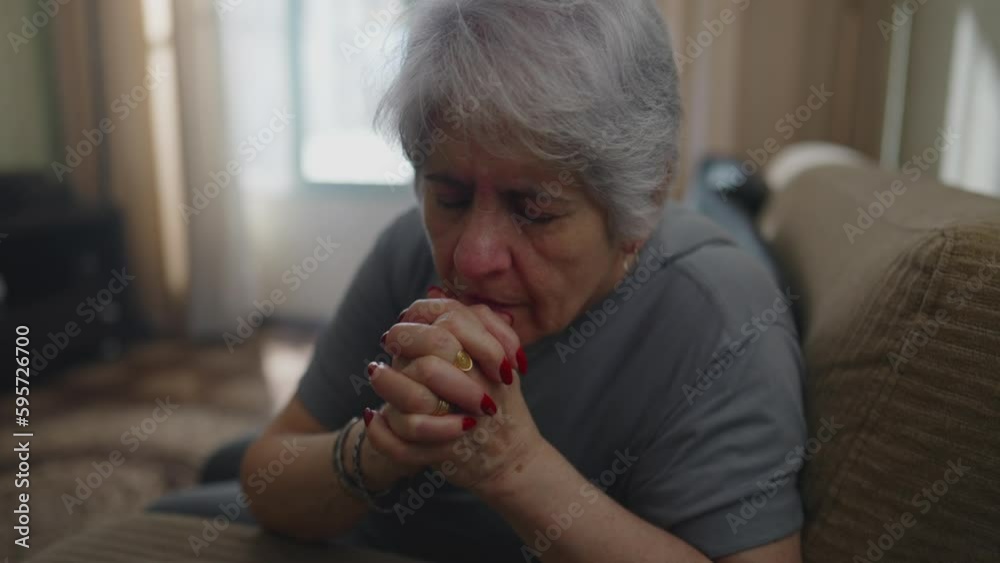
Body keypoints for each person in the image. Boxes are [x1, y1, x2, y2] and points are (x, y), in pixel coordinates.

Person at [153, 1, 806, 561]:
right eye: (452, 195)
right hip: (376, 527)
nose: (471, 257)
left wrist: (514, 467)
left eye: (534, 209)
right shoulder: (410, 248)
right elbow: (271, 470)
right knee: (210, 477)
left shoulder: (721, 314)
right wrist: (375, 451)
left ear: (641, 201)